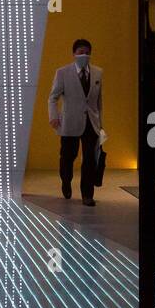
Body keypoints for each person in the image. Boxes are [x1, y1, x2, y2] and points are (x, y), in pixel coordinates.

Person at [48, 38, 103, 206]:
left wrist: (100, 124)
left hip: (91, 123)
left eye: (87, 52)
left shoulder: (98, 72)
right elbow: (53, 97)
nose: (84, 55)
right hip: (69, 121)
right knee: (67, 157)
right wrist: (53, 116)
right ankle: (66, 180)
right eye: (81, 52)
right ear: (74, 54)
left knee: (90, 159)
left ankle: (87, 195)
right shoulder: (62, 73)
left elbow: (99, 100)